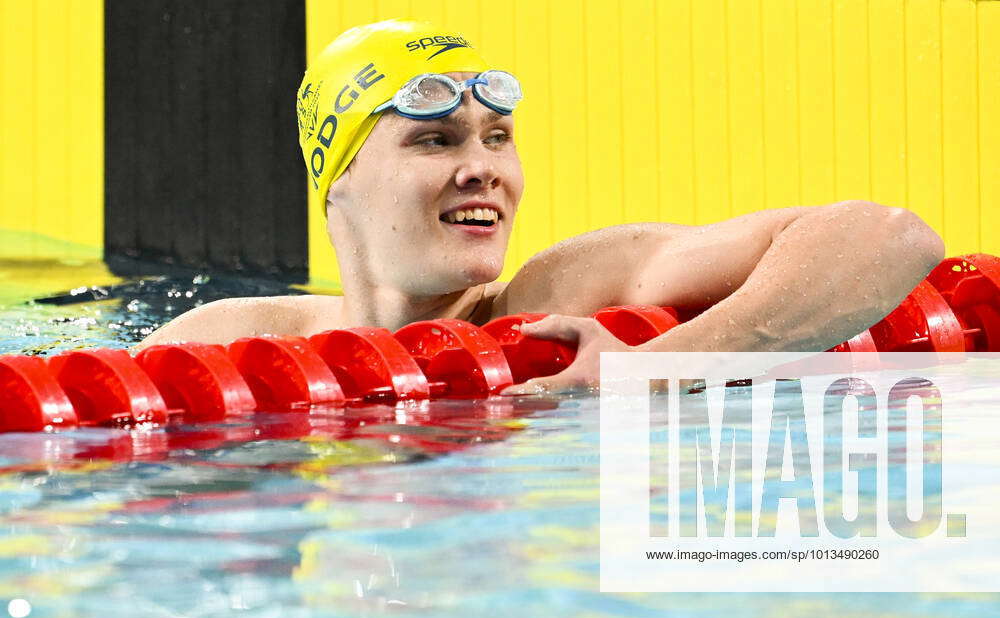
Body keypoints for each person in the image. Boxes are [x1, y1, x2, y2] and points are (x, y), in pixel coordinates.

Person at [137, 18, 945, 393]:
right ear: (337, 178)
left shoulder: (560, 298)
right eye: (437, 140)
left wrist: (659, 368)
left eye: (498, 138)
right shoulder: (231, 342)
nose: (483, 168)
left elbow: (889, 237)